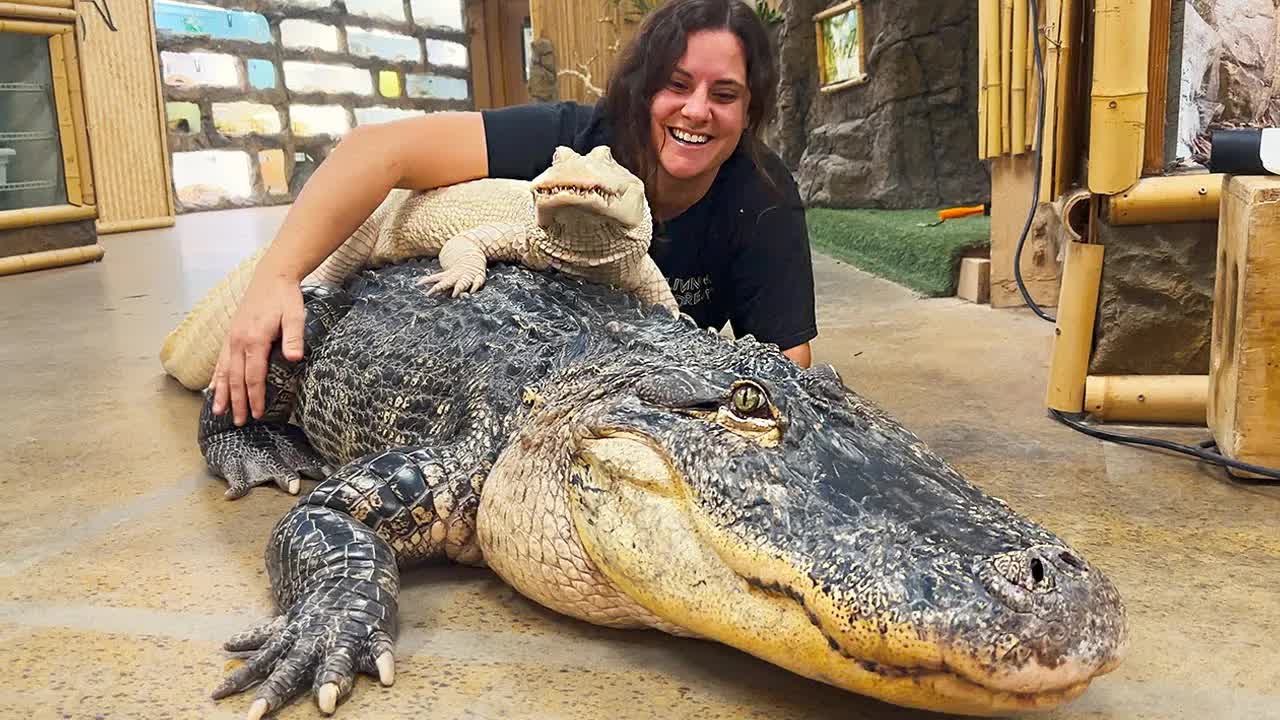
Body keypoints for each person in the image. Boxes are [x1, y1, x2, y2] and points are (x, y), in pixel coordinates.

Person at [211, 0, 817, 426]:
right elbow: (376, 149)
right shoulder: (573, 147)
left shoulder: (761, 195)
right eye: (676, 85)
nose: (696, 110)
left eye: (725, 94)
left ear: (751, 109)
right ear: (641, 91)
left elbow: (788, 377)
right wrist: (276, 279)